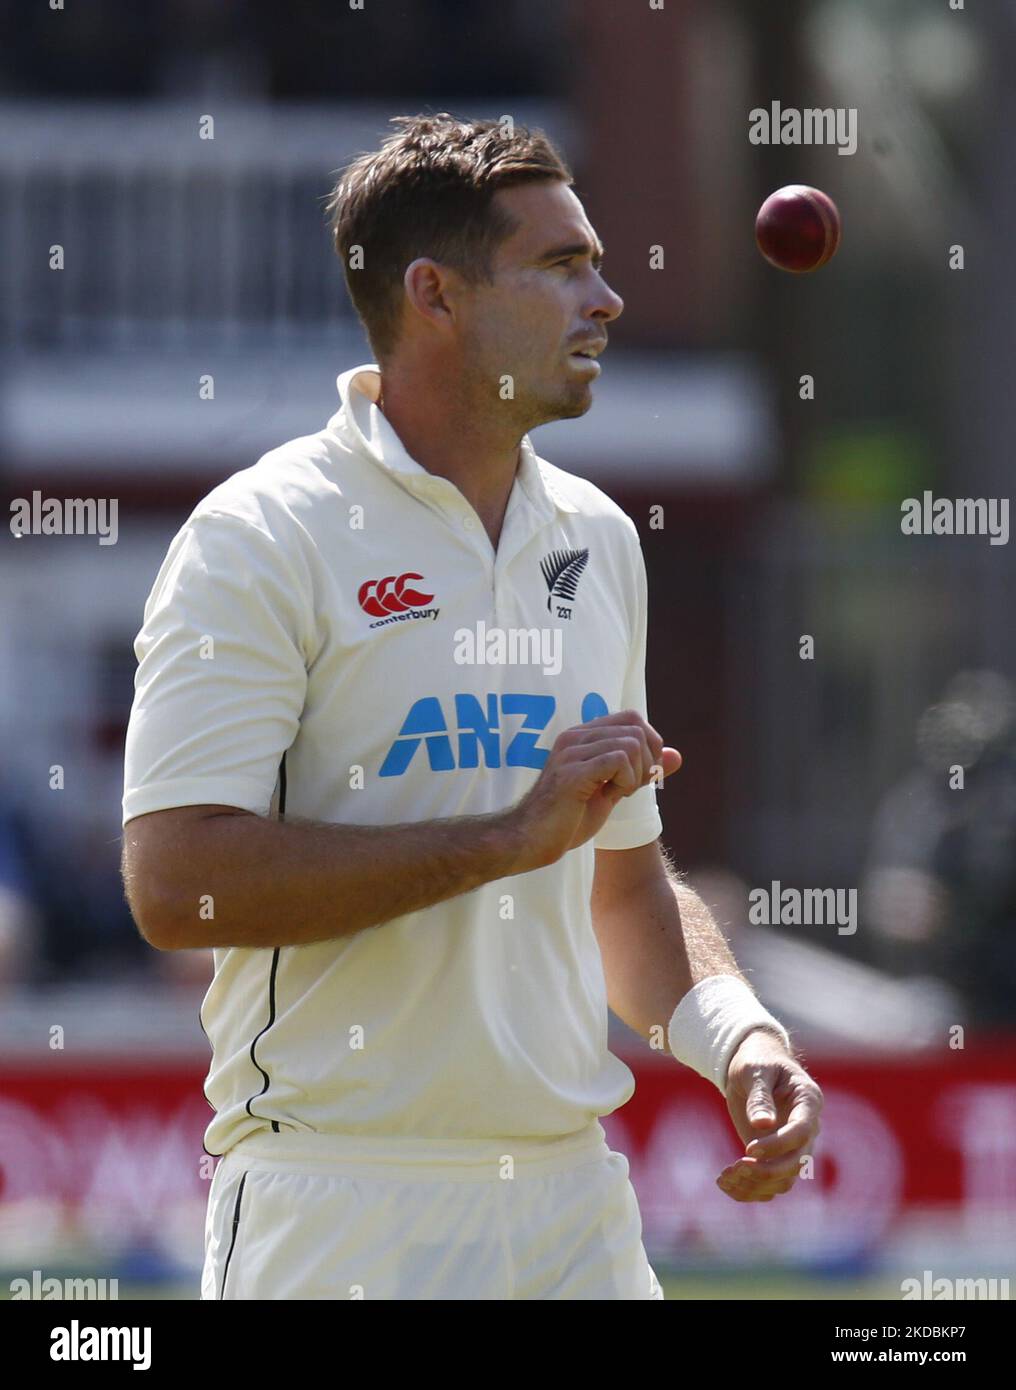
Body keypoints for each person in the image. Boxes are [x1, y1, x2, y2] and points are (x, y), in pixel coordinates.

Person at [121, 113, 821, 1301]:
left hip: (571, 1205)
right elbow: (176, 882)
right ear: (434, 295)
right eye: (559, 267)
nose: (604, 300)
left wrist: (738, 1039)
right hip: (337, 1202)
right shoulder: (261, 534)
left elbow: (620, 877)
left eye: (597, 263)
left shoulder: (599, 539)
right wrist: (503, 841)